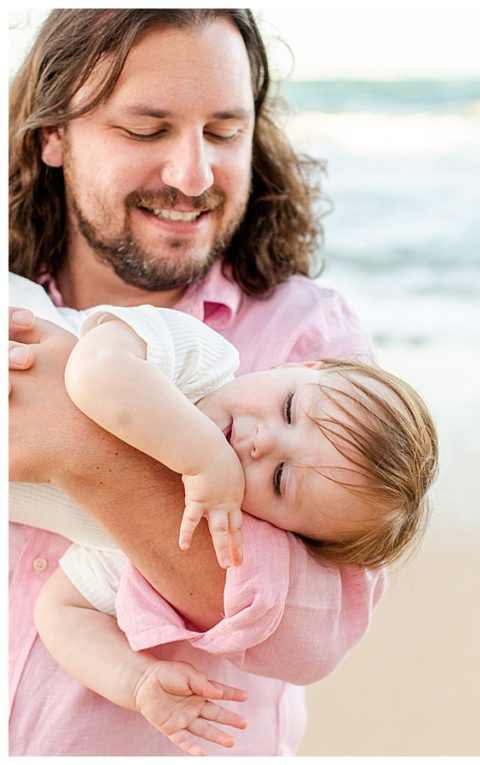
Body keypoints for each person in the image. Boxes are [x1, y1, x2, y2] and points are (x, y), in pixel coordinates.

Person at [8, 10, 392, 755]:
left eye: (223, 132)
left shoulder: (310, 348)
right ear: (52, 135)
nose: (193, 175)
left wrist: (77, 451)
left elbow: (314, 629)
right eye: (147, 130)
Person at [9, 273, 437, 754]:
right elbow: (95, 368)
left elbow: (63, 611)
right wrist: (203, 457)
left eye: (279, 479)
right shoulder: (199, 359)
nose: (263, 440)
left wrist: (136, 681)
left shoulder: (157, 538)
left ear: (282, 533)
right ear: (302, 365)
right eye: (290, 407)